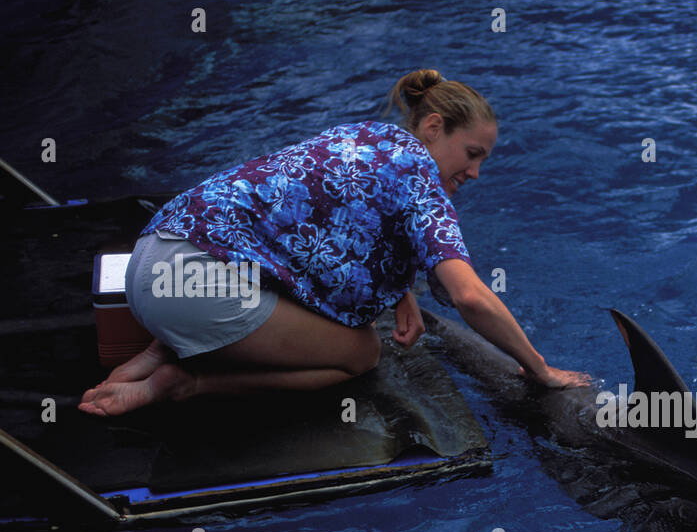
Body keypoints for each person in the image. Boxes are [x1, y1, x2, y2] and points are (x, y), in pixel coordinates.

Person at [79, 68, 589, 417]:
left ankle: (154, 349)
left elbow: (330, 225)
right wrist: (540, 370)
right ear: (434, 127)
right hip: (198, 299)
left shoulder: (362, 136)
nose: (475, 172)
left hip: (150, 261)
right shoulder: (422, 182)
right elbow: (469, 297)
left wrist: (401, 291)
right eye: (472, 153)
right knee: (361, 354)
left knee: (267, 261)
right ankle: (182, 383)